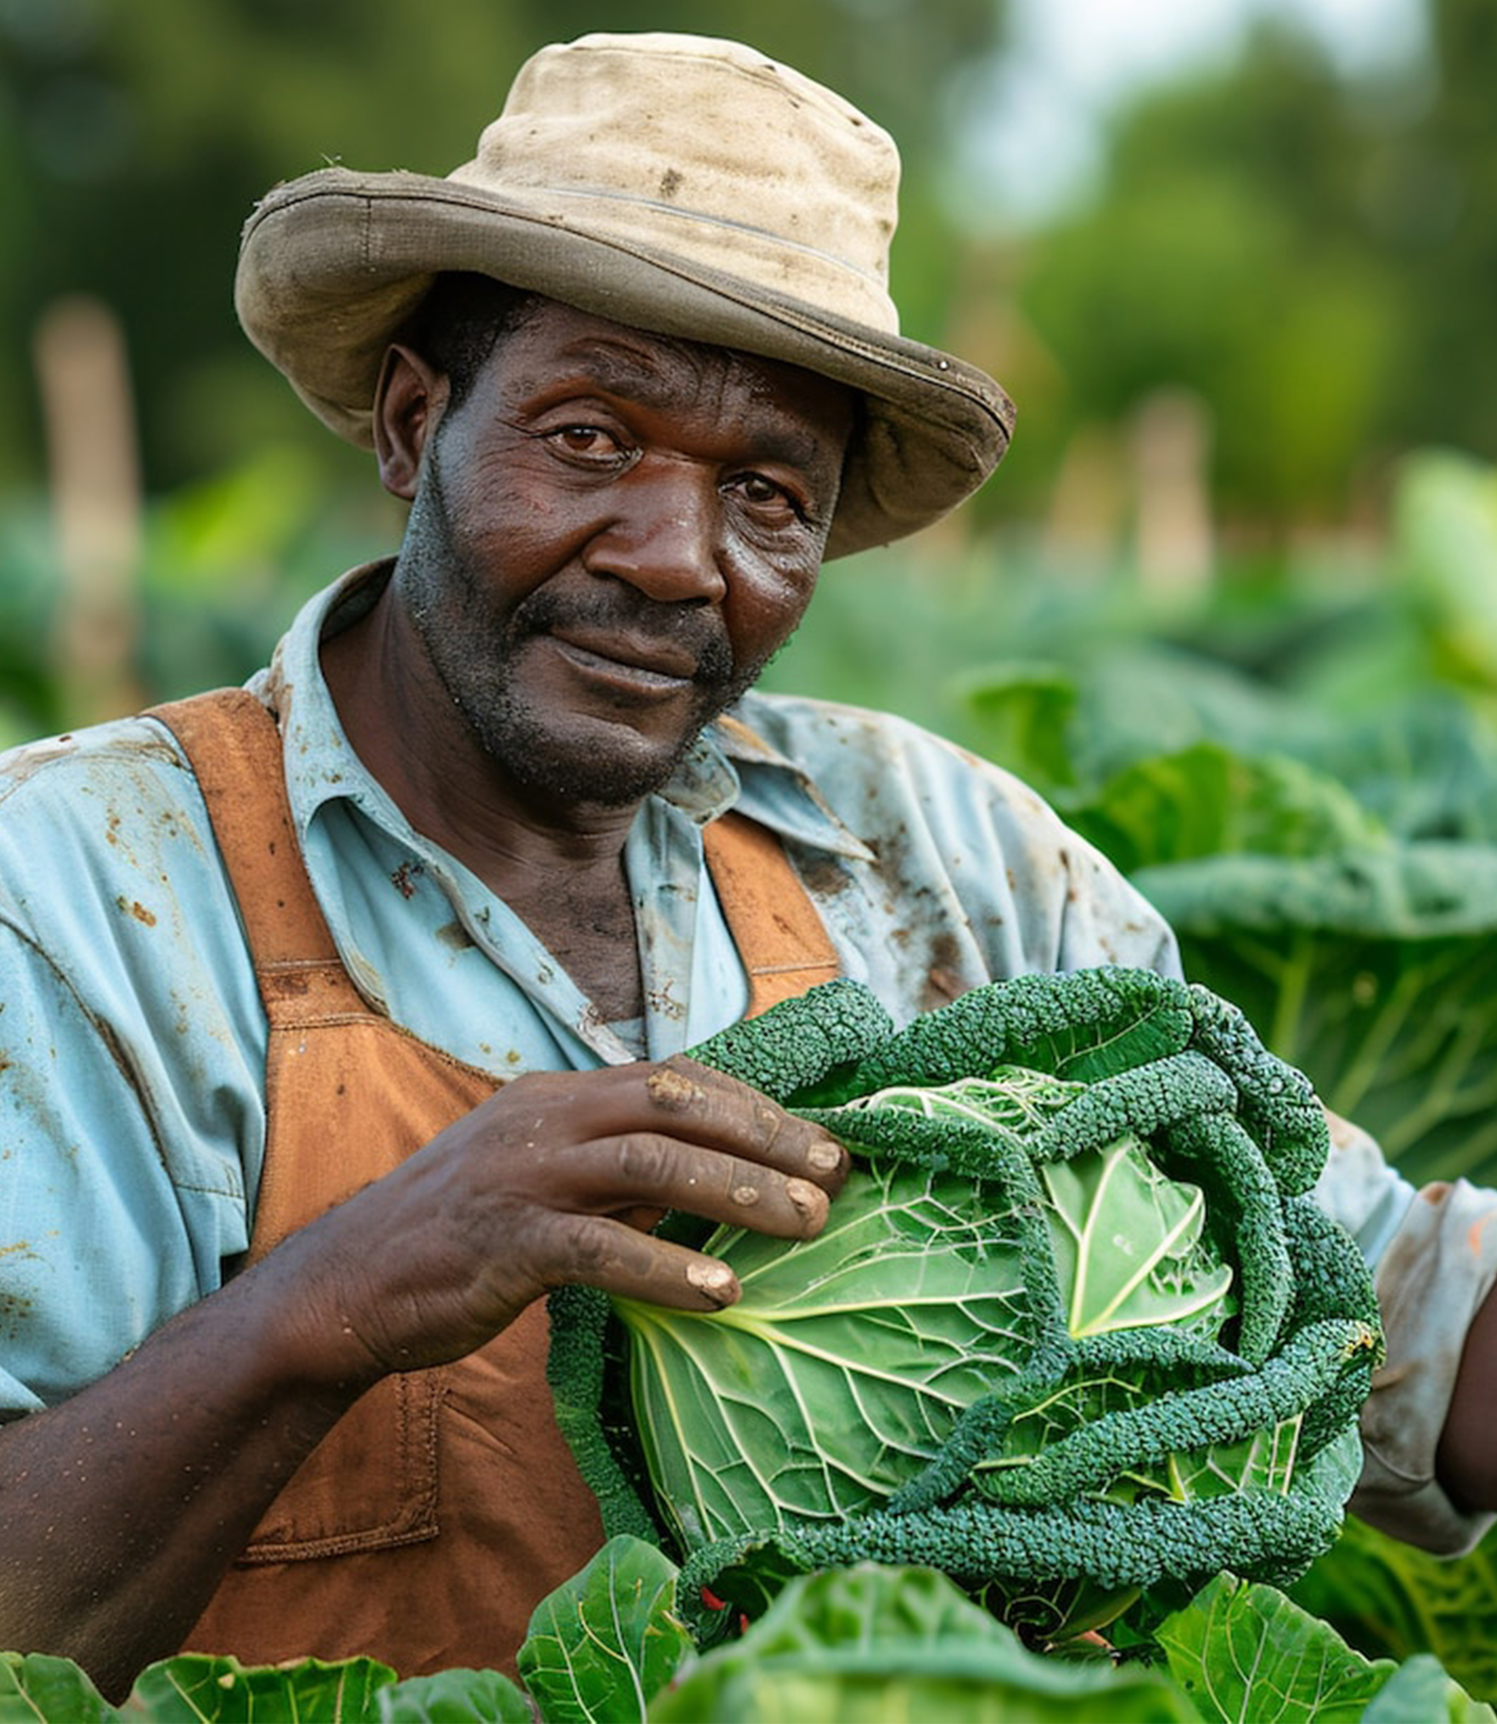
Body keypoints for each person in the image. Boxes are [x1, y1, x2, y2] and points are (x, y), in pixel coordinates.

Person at [2, 28, 1495, 1701]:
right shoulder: (76, 900)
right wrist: (336, 1293)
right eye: (587, 438)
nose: (672, 558)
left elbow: (1378, 1299)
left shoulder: (937, 855)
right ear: (416, 425)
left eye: (768, 494)